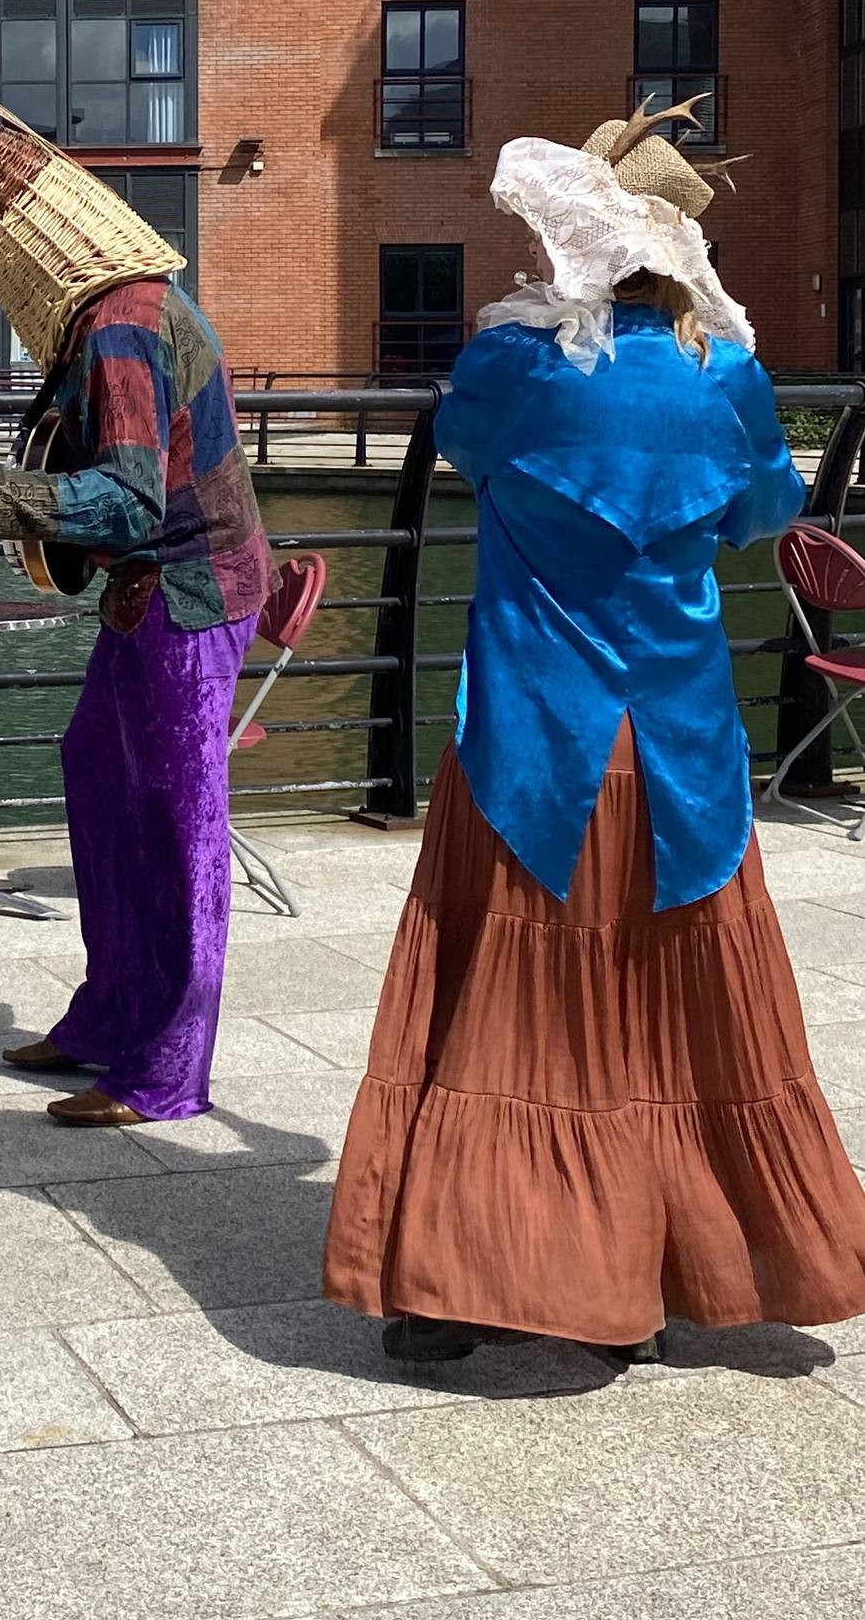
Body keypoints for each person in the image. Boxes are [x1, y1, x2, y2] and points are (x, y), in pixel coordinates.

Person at [323, 106, 865, 1363]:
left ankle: (453, 1284)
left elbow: (463, 443)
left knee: (500, 999)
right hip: (675, 740)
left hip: (532, 728)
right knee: (670, 1006)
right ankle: (656, 1260)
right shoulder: (722, 374)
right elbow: (763, 509)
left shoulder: (509, 367)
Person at [0, 83, 273, 1125]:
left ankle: (164, 1065)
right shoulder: (122, 310)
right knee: (99, 779)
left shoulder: (117, 330)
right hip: (161, 589)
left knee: (173, 824)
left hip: (184, 590)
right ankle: (110, 1014)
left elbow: (121, 501)